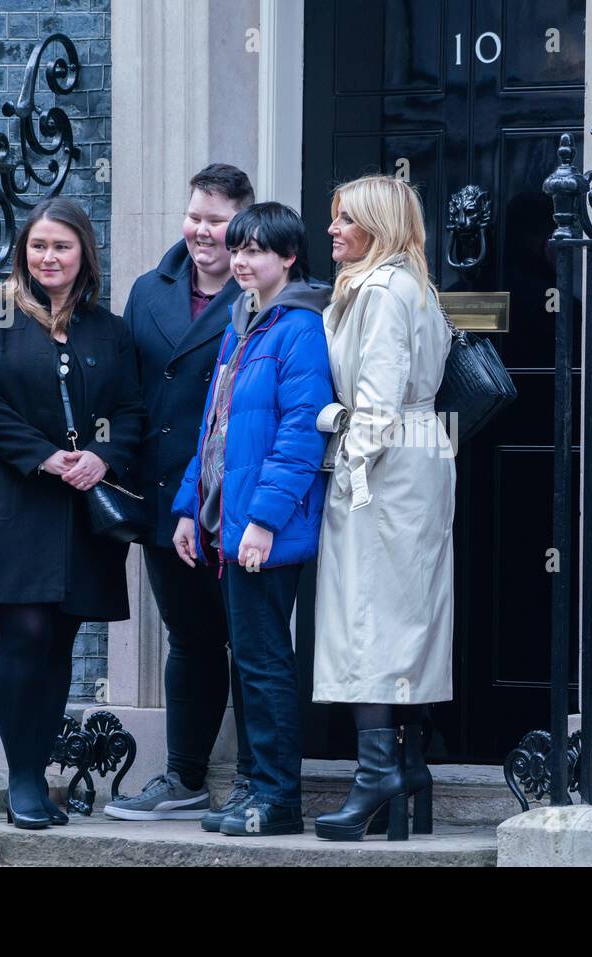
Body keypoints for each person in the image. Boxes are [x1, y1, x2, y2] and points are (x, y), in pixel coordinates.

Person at [0, 197, 146, 829]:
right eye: (38, 246)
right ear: (23, 253)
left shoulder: (108, 330)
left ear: (84, 252)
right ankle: (25, 777)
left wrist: (103, 455)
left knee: (59, 637)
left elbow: (132, 409)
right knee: (25, 632)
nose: (48, 257)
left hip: (80, 511)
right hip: (11, 500)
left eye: (62, 246)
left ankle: (37, 772)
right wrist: (43, 457)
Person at [171, 202, 333, 836]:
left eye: (256, 250)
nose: (239, 260)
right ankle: (254, 792)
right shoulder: (245, 323)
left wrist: (263, 521)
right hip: (228, 523)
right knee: (251, 661)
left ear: (288, 259)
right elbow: (214, 430)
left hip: (264, 529)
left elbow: (301, 435)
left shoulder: (298, 328)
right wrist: (190, 508)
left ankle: (277, 800)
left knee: (264, 663)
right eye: (236, 248)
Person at [103, 164, 258, 827]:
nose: (201, 230)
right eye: (195, 215)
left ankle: (259, 777)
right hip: (166, 497)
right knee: (190, 640)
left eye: (217, 220)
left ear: (243, 224)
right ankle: (184, 776)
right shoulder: (148, 290)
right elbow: (127, 392)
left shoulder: (263, 291)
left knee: (252, 642)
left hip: (236, 499)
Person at [312, 175, 456, 842]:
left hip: (386, 465)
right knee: (407, 615)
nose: (334, 228)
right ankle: (409, 764)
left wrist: (347, 459)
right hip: (416, 460)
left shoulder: (382, 290)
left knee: (369, 617)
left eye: (347, 219)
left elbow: (376, 396)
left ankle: (377, 776)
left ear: (379, 226)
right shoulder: (412, 287)